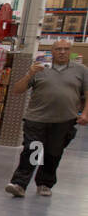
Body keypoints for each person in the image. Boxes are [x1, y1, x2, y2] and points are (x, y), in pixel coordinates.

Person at [5, 39, 88, 198]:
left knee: (53, 153)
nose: (62, 52)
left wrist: (85, 113)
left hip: (64, 120)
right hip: (37, 119)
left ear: (70, 51)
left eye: (65, 49)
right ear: (52, 51)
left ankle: (44, 183)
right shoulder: (40, 69)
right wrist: (29, 74)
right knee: (32, 150)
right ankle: (19, 184)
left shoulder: (81, 70)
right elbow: (17, 90)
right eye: (58, 49)